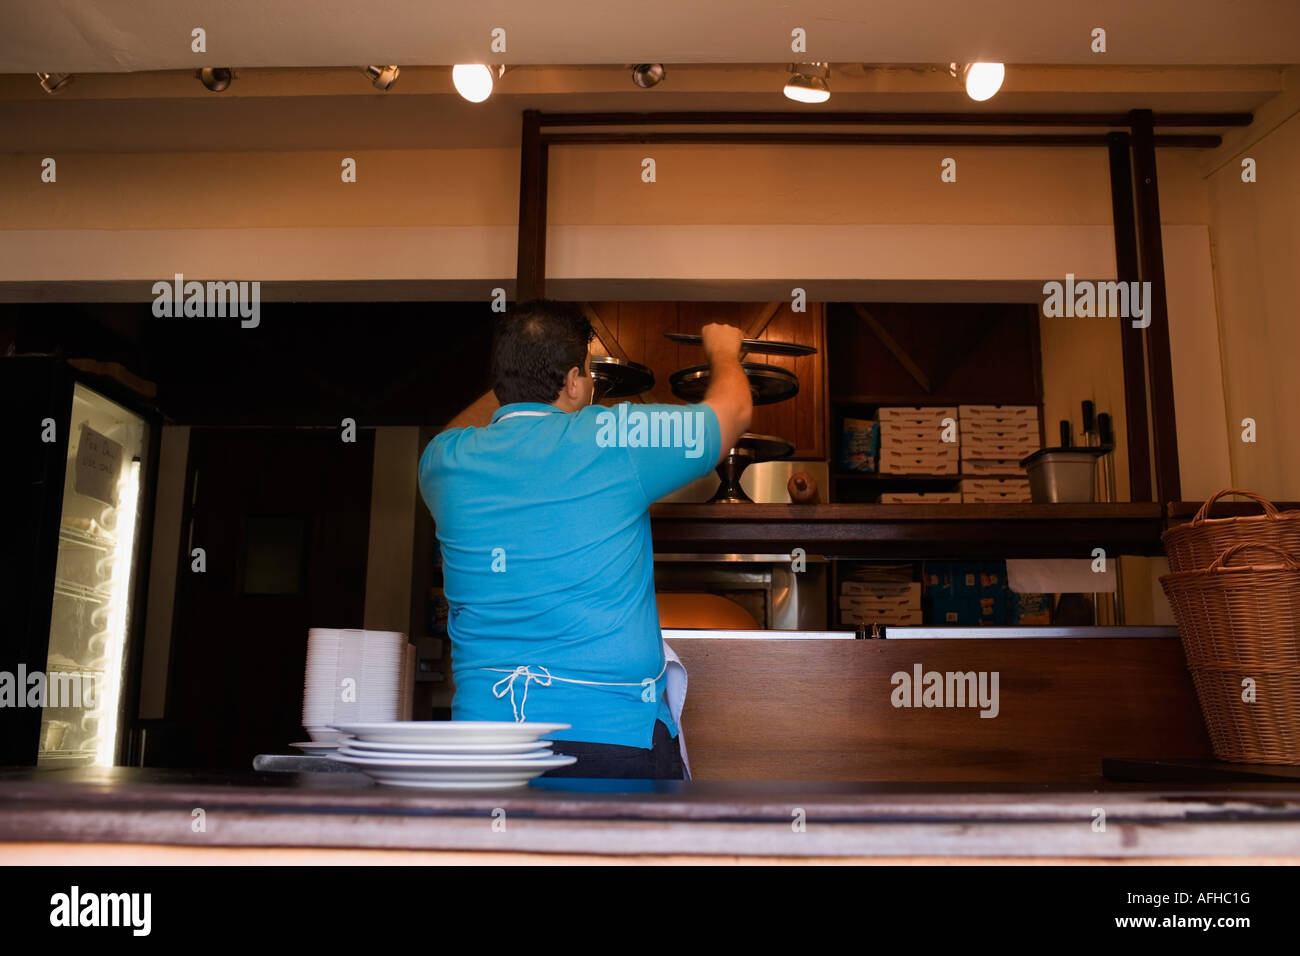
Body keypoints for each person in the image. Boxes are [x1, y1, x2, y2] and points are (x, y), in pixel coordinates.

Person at [417, 300, 752, 778]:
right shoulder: (613, 436)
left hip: (482, 746)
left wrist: (519, 379)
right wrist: (723, 352)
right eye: (588, 375)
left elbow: (458, 427)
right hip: (610, 739)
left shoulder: (444, 461)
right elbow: (734, 410)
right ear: (574, 381)